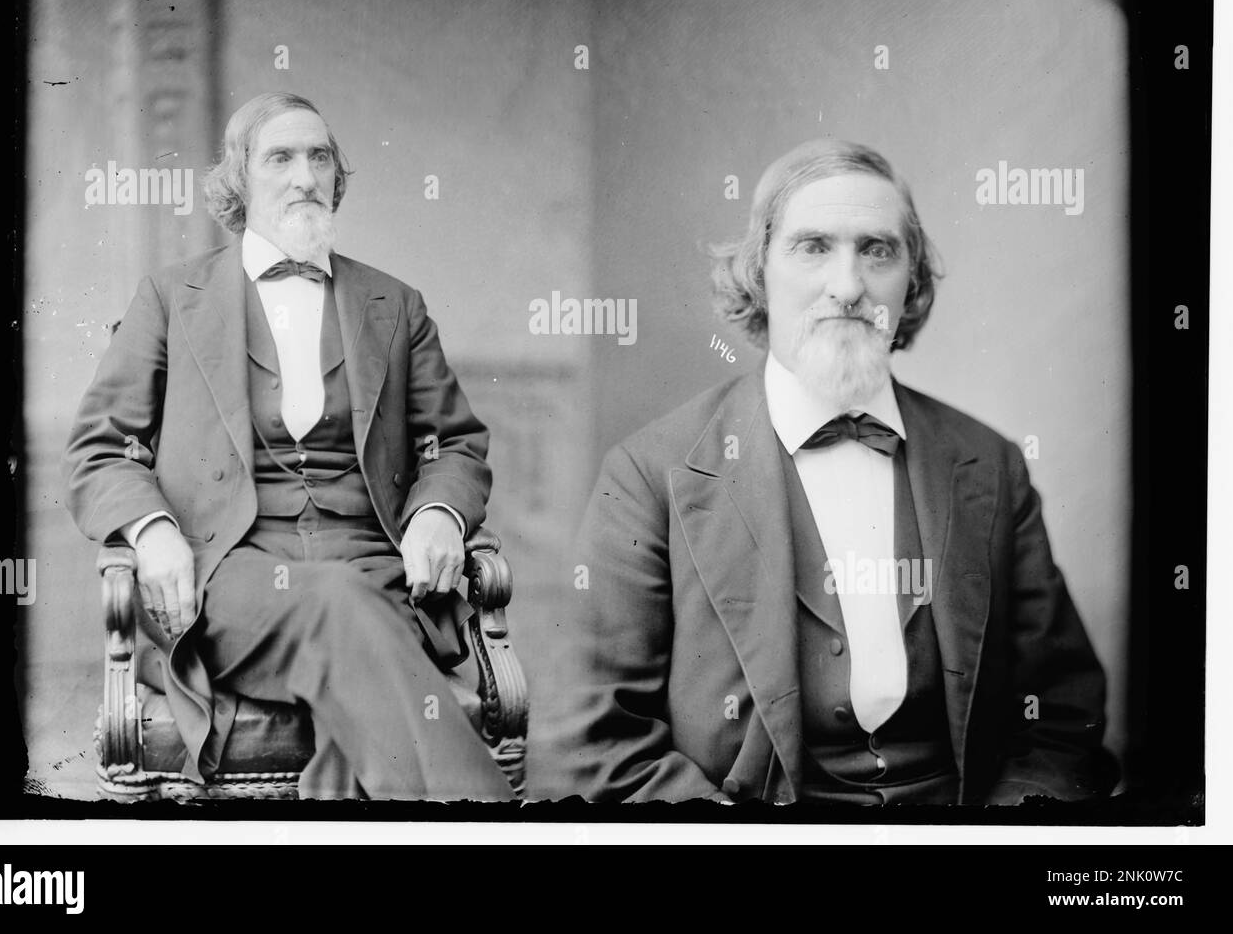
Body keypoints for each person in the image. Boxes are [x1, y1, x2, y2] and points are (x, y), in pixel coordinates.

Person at [532, 139, 1116, 805]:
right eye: (813, 247)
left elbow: (1063, 720)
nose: (848, 286)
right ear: (759, 272)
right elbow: (588, 746)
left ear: (912, 282)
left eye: (877, 249)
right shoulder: (649, 474)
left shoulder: (990, 464)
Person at [65, 91, 514, 801]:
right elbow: (98, 449)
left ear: (337, 179)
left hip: (378, 570)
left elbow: (456, 443)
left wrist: (439, 514)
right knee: (340, 606)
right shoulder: (171, 296)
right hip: (234, 577)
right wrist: (150, 532)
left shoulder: (395, 304)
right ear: (240, 179)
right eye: (280, 157)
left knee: (353, 689)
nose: (305, 175)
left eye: (320, 157)